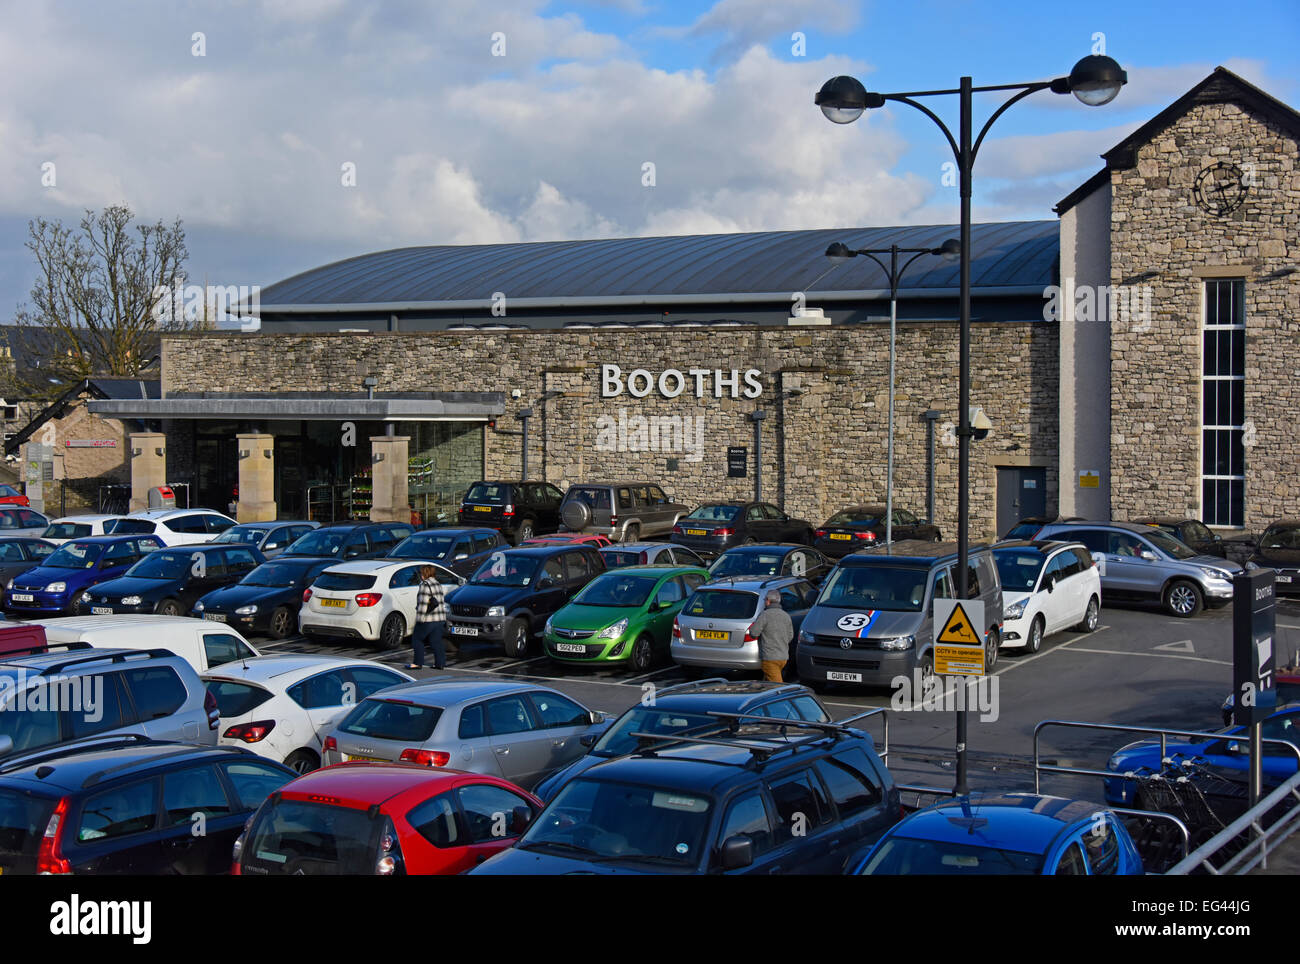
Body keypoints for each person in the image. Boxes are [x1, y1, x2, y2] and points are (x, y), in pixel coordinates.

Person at [408, 565, 449, 671]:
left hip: (428, 619)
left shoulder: (424, 585)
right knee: (436, 641)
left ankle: (417, 663)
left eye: (422, 573)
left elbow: (423, 604)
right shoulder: (438, 584)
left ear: (424, 574)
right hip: (440, 618)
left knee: (417, 639)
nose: (421, 575)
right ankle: (440, 664)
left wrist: (419, 620)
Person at [750, 590, 794, 683]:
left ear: (768, 600)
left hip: (769, 657)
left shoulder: (764, 615)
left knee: (777, 686)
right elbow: (790, 636)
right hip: (783, 657)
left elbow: (753, 633)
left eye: (765, 600)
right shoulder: (786, 616)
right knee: (767, 683)